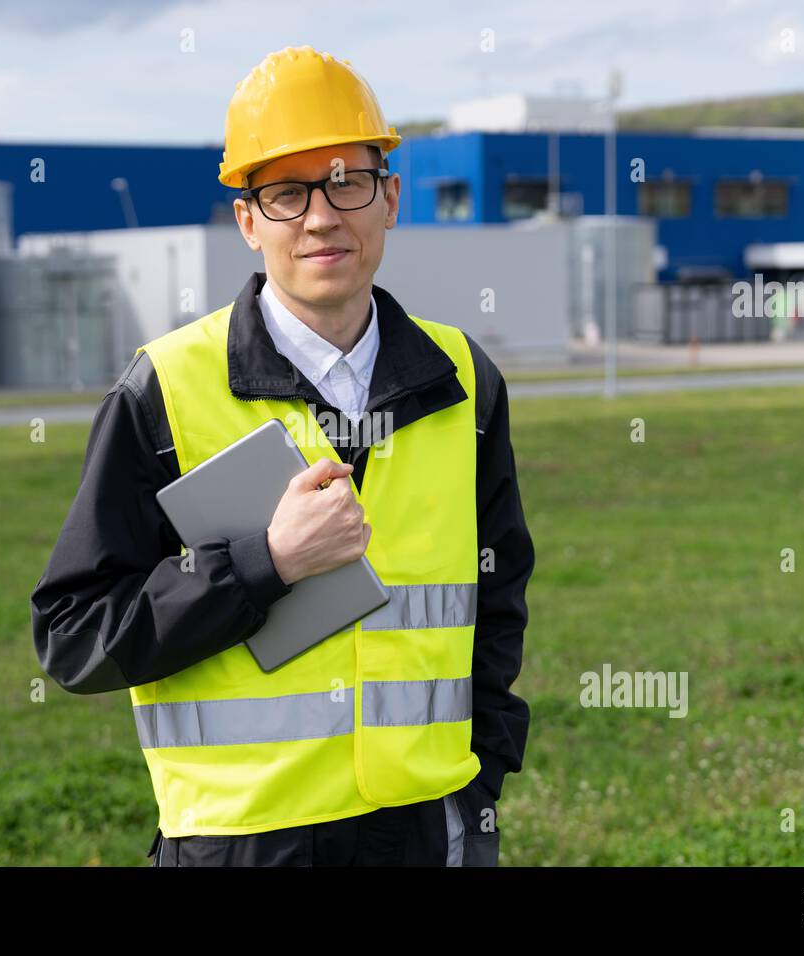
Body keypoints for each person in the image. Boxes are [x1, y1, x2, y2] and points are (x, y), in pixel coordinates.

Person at [30, 45, 533, 866]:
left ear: (390, 197)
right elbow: (74, 635)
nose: (322, 216)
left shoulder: (466, 379)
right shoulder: (162, 389)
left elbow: (497, 591)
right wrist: (263, 563)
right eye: (286, 192)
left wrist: (482, 776)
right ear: (248, 220)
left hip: (429, 831)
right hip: (242, 844)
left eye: (347, 181)